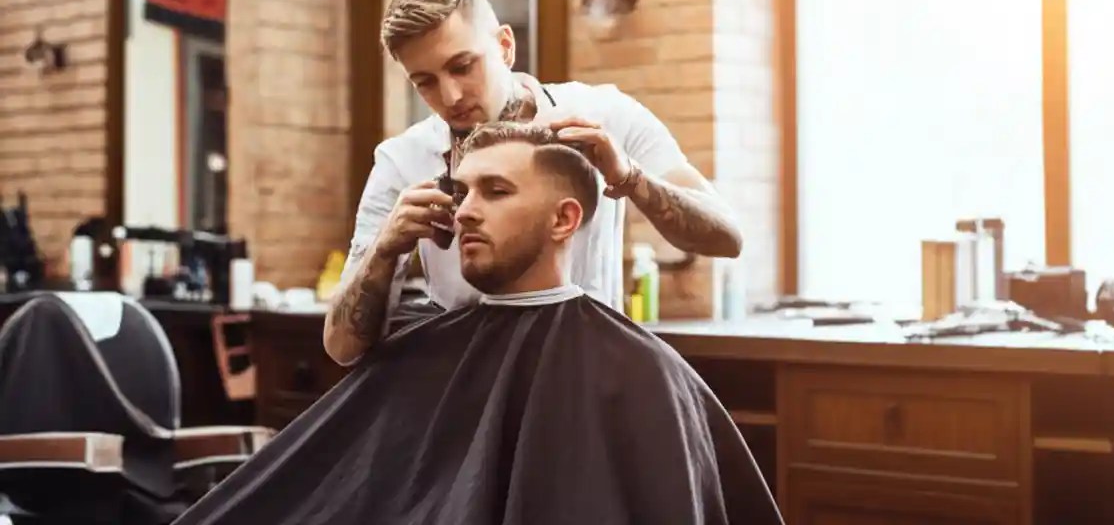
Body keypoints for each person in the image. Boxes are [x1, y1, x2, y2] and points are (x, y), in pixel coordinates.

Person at [171, 123, 783, 525]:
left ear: (564, 220)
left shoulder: (642, 372)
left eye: (495, 191)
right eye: (461, 193)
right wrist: (384, 250)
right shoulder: (419, 351)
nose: (465, 211)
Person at [324, 0, 743, 365]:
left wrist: (628, 177)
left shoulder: (606, 114)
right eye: (425, 82)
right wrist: (385, 248)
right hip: (467, 391)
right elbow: (341, 348)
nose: (450, 97)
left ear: (505, 46)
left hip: (586, 376)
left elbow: (727, 239)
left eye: (462, 66)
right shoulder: (402, 160)